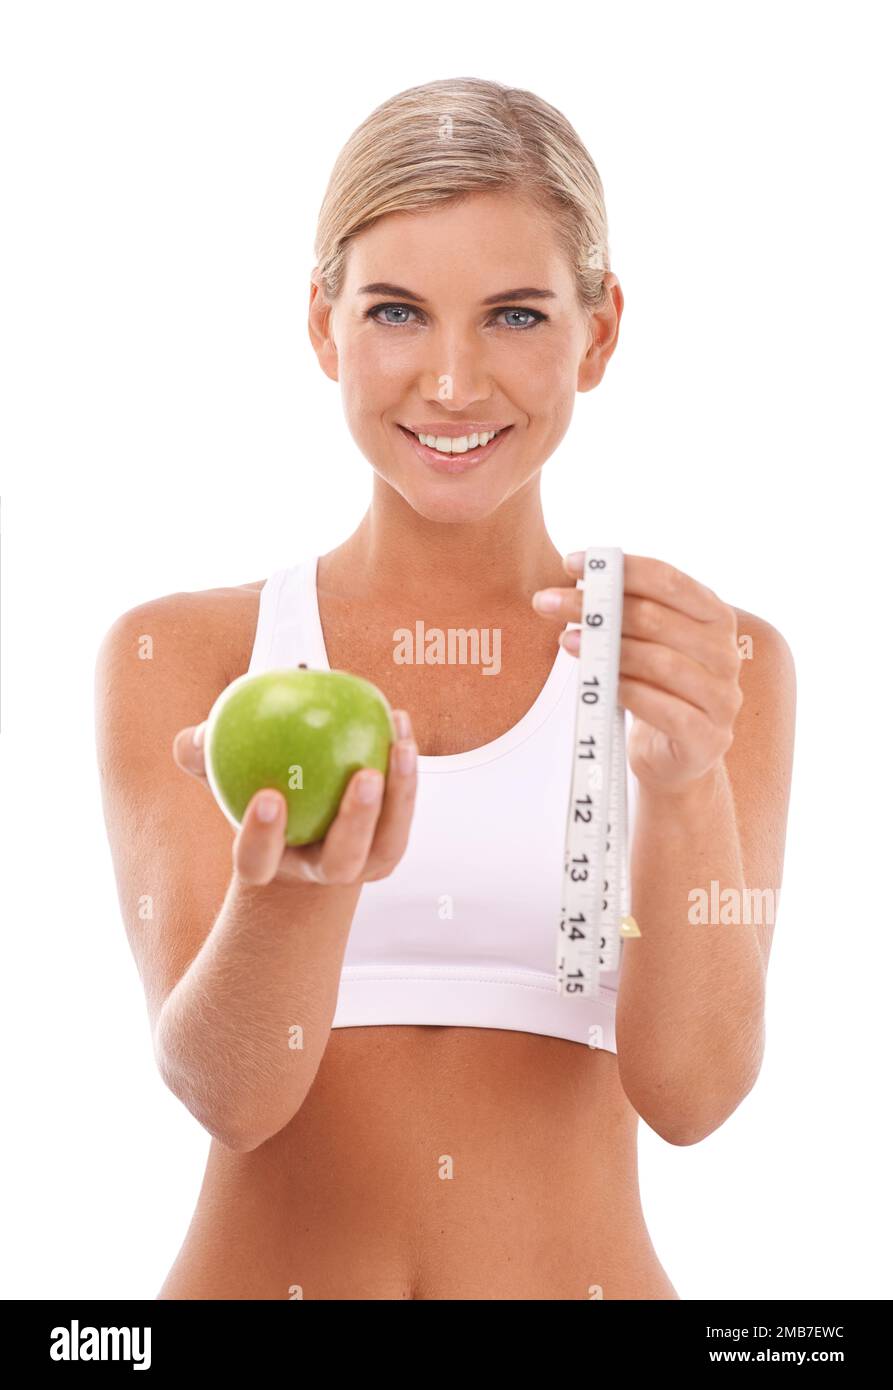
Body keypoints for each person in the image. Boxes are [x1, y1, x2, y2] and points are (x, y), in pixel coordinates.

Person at [95, 76, 796, 1300]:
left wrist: (679, 786)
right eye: (399, 312)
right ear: (325, 327)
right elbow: (229, 1091)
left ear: (603, 328)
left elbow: (696, 1097)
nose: (457, 381)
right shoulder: (190, 656)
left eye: (518, 315)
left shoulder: (701, 663)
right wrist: (301, 896)